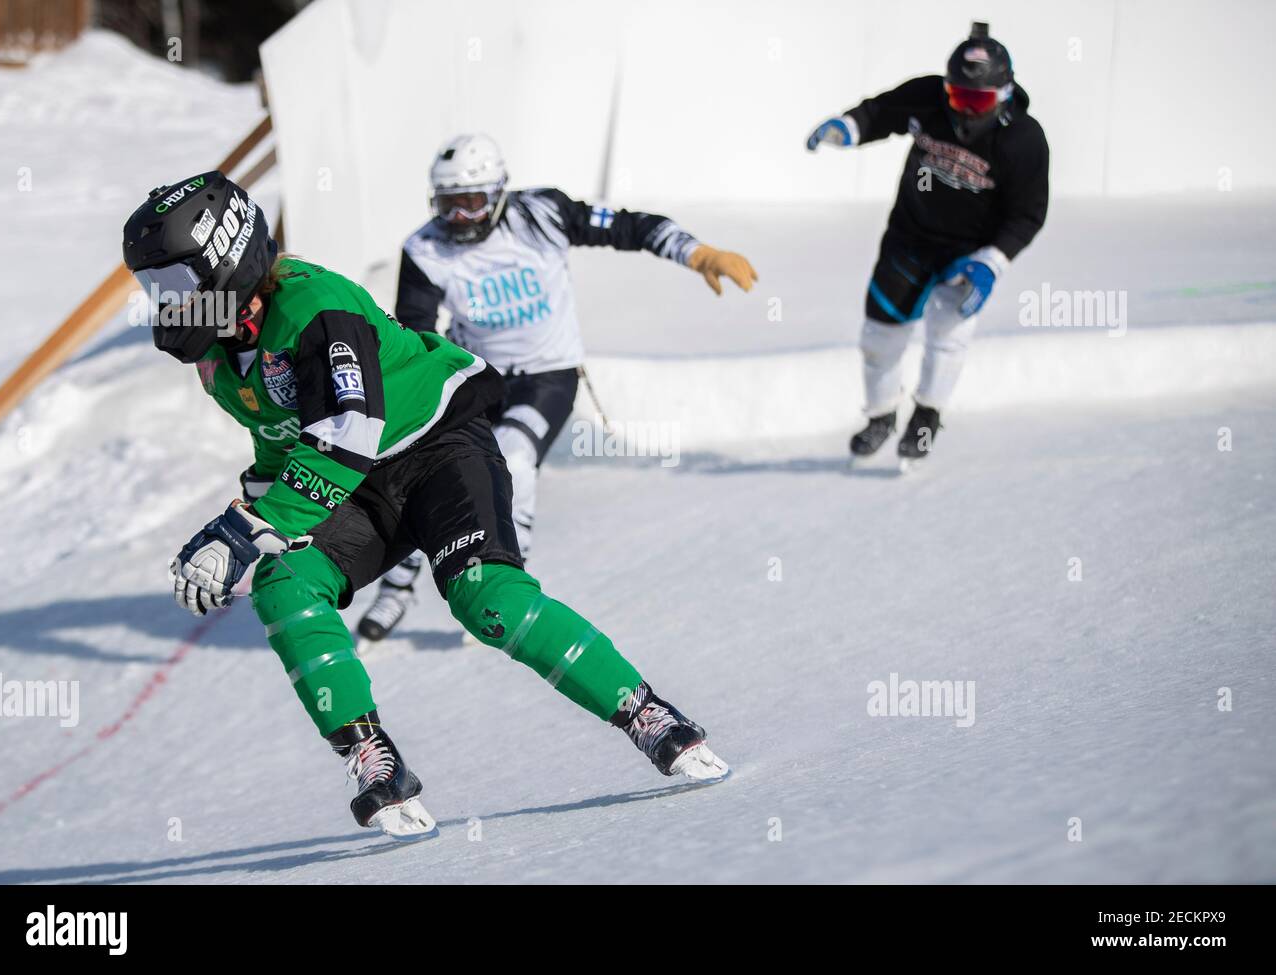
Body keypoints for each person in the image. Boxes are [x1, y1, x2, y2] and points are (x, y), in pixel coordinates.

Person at [123, 171, 729, 839]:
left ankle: (646, 712)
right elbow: (280, 450)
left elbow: (346, 435)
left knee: (486, 600)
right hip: (355, 482)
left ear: (227, 262)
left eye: (173, 284)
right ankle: (372, 758)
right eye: (154, 288)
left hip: (437, 446)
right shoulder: (218, 359)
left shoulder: (316, 308)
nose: (165, 304)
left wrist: (243, 529)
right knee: (282, 583)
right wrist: (245, 538)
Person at [356, 133, 758, 642]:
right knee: (425, 469)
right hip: (476, 375)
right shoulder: (424, 248)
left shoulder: (543, 214)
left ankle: (507, 583)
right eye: (447, 204)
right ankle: (396, 587)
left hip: (547, 374)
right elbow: (417, 335)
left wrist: (696, 253)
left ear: (498, 192)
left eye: (472, 202)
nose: (459, 218)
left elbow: (631, 226)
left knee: (514, 458)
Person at [806, 21, 1049, 464]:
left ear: (1004, 95)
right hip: (911, 237)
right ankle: (881, 414)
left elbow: (1028, 214)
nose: (966, 111)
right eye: (958, 97)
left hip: (969, 253)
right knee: (880, 334)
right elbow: (882, 112)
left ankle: (928, 415)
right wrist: (848, 126)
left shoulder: (1023, 140)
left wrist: (993, 262)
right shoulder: (929, 97)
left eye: (978, 101)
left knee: (948, 335)